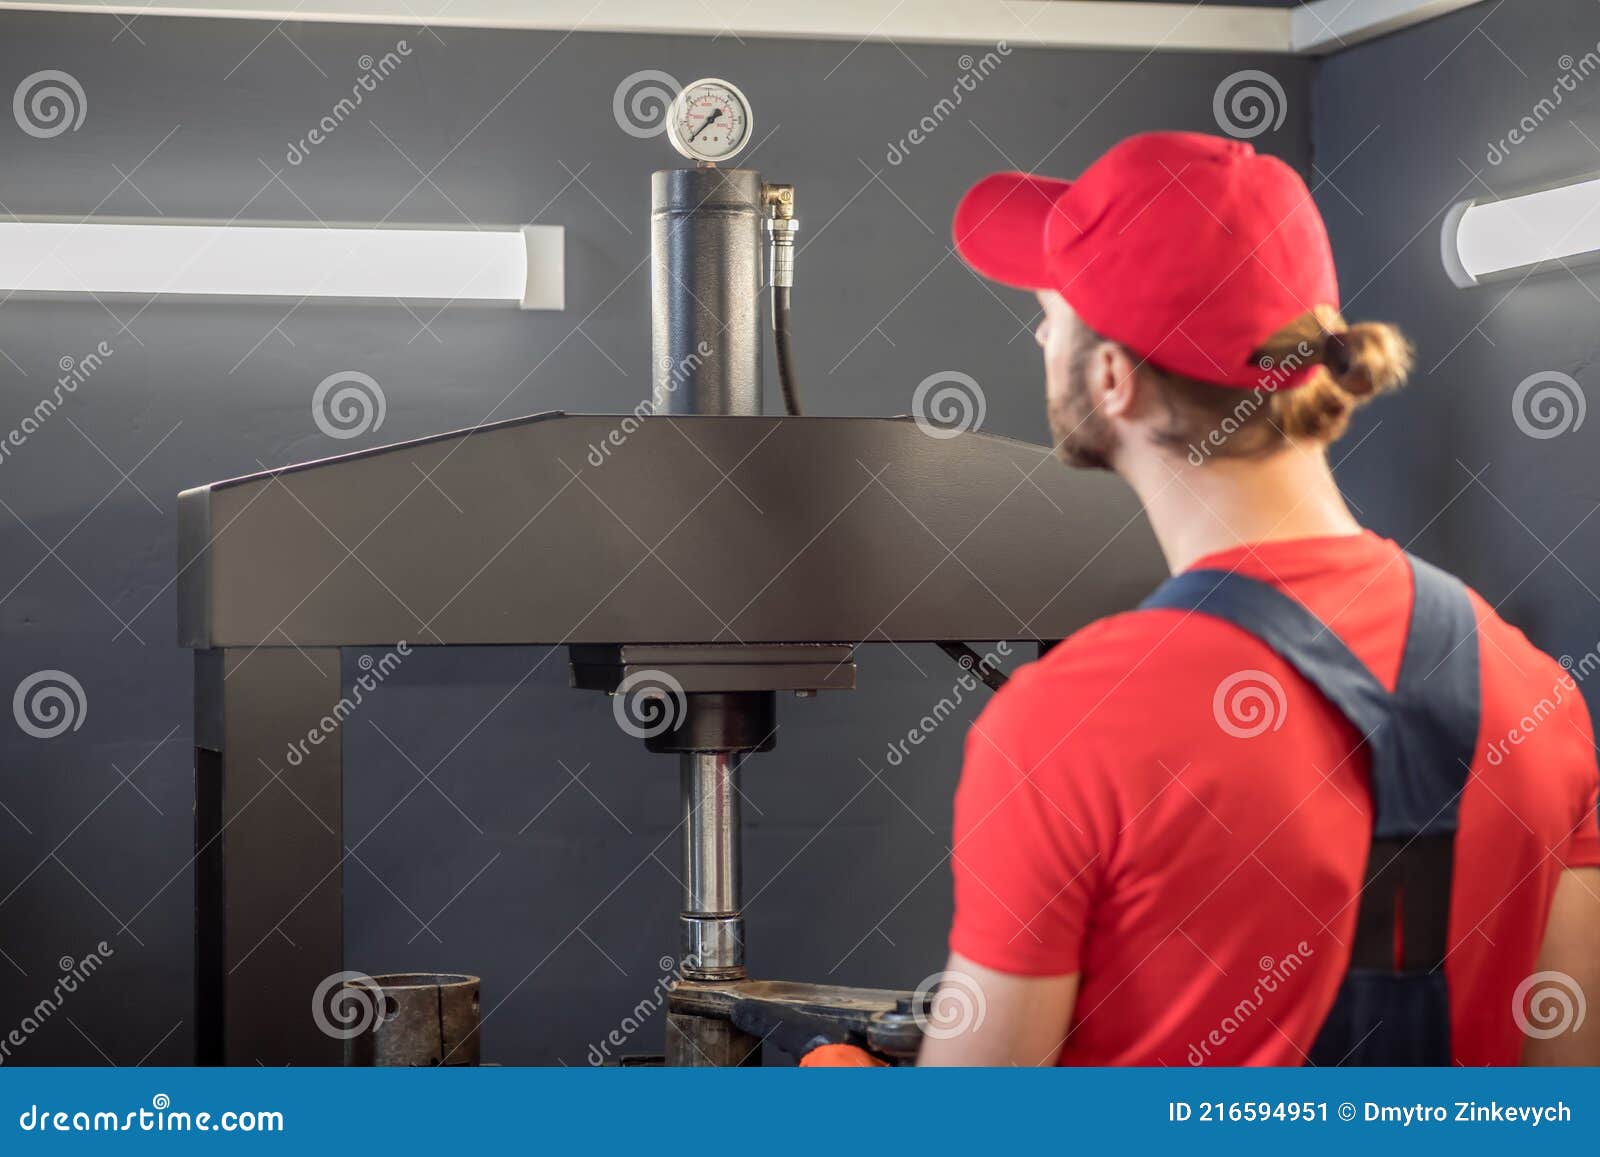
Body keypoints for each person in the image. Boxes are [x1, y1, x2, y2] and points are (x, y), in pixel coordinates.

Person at [907, 131, 1600, 1066]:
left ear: (1112, 379)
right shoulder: (1540, 698)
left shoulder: (1066, 724)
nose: (1039, 334)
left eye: (1052, 312)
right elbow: (1568, 1091)